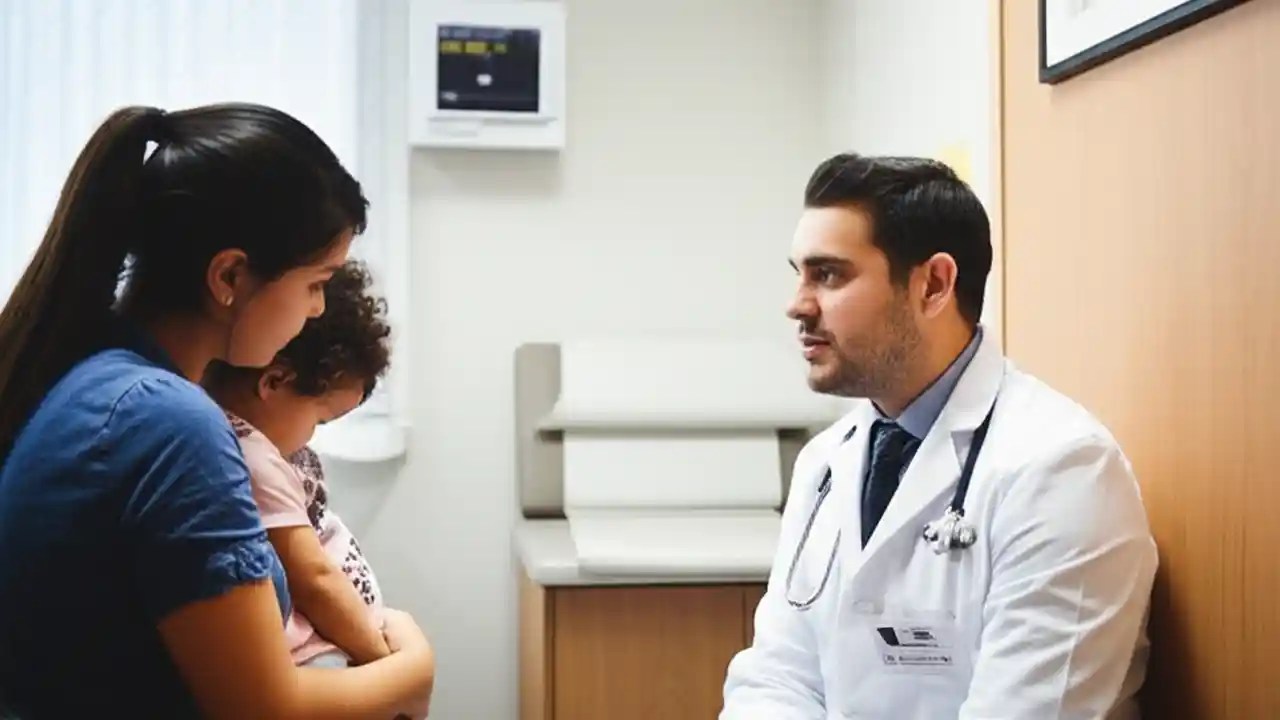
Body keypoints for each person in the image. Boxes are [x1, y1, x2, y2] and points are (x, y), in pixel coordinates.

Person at [0, 103, 433, 719]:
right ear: (229, 276)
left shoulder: (98, 377)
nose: (317, 310)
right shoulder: (169, 424)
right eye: (316, 282)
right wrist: (413, 668)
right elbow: (264, 708)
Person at [720, 154, 1157, 719]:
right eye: (799, 273)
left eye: (828, 275)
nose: (797, 304)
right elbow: (775, 679)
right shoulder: (827, 463)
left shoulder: (1063, 471)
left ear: (933, 285)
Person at [203, 259, 395, 671]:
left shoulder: (259, 449)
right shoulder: (252, 456)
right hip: (314, 656)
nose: (313, 436)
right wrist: (388, 666)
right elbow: (314, 581)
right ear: (273, 382)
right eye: (320, 420)